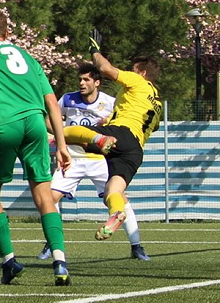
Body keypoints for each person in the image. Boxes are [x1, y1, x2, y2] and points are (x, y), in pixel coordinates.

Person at [0, 10, 73, 286]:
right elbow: (52, 104)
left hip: (3, 124)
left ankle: (9, 261)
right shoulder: (29, 58)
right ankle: (60, 261)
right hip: (35, 125)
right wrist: (62, 144)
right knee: (44, 195)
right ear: (8, 34)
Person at [37, 64, 151, 261]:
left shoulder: (110, 102)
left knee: (120, 197)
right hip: (73, 157)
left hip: (100, 158)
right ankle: (52, 243)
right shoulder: (67, 98)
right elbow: (50, 119)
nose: (82, 83)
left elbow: (120, 120)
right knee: (48, 199)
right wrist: (60, 133)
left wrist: (107, 121)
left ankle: (136, 246)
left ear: (97, 82)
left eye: (86, 79)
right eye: (80, 79)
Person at [63, 30, 162, 247]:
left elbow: (106, 69)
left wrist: (95, 51)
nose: (129, 73)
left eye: (133, 70)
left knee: (73, 131)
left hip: (123, 133)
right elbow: (151, 127)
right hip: (135, 150)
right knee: (113, 191)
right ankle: (116, 214)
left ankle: (68, 138)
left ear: (142, 73)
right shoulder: (158, 103)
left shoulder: (137, 81)